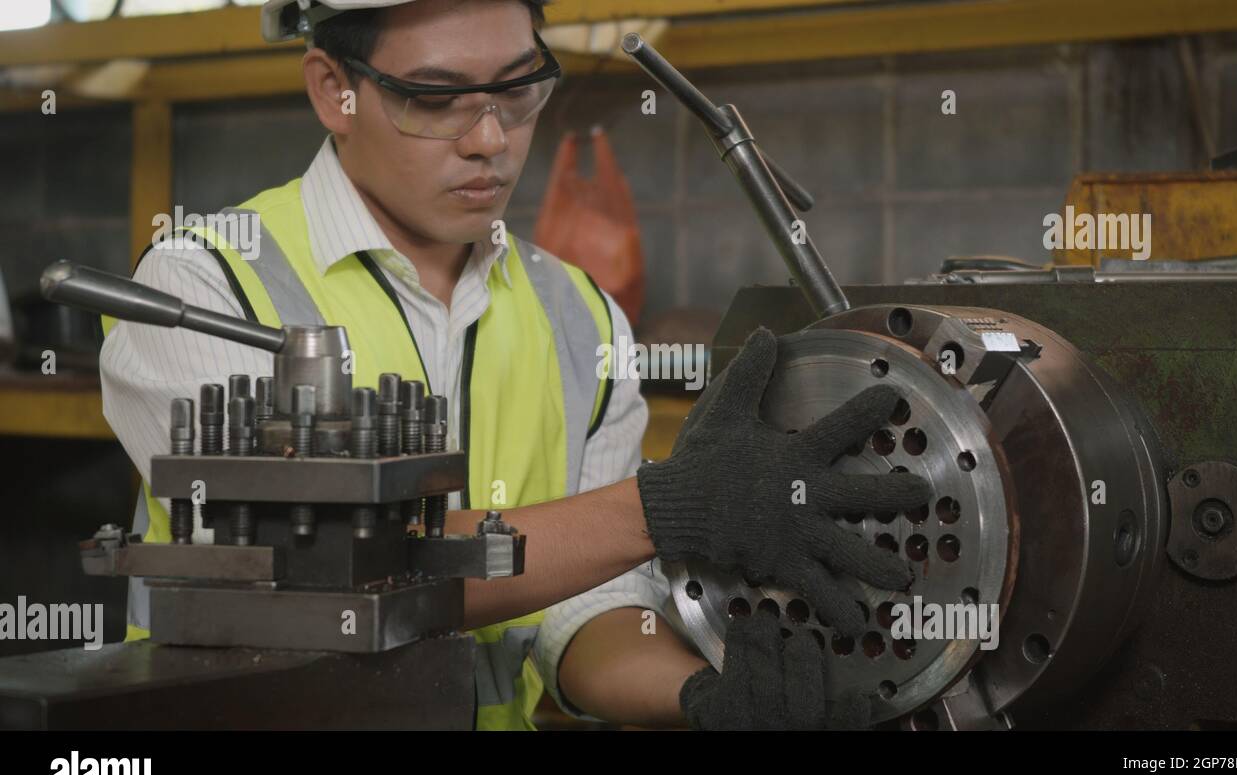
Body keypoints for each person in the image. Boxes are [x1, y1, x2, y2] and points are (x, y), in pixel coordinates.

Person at [99, 0, 930, 730]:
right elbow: (320, 569)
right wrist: (666, 507)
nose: (490, 138)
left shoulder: (580, 317)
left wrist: (702, 697)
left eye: (517, 87)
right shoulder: (203, 283)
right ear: (333, 90)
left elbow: (587, 612)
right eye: (436, 97)